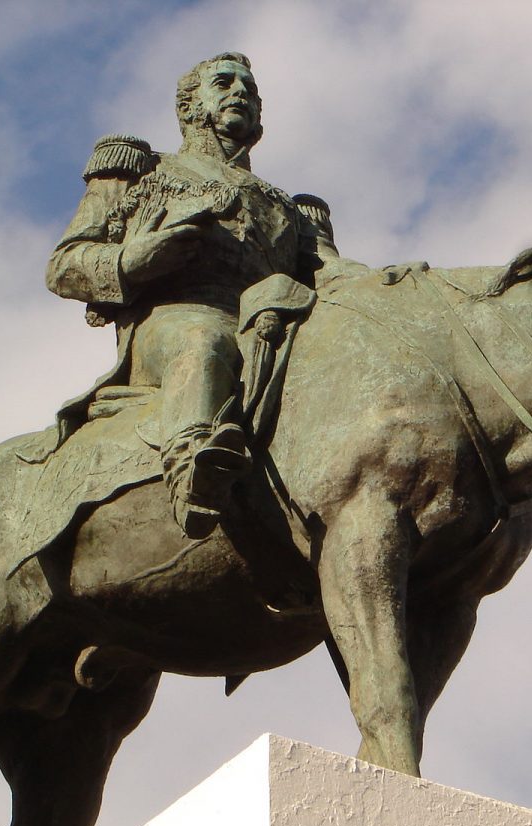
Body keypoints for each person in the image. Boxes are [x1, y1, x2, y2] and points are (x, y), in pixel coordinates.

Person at [41, 52, 325, 539]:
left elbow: (333, 273)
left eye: (250, 90)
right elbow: (65, 265)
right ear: (190, 106)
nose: (241, 93)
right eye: (224, 83)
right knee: (205, 340)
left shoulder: (293, 210)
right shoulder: (140, 170)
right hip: (173, 321)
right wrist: (134, 260)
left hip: (275, 329)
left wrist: (390, 283)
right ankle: (190, 465)